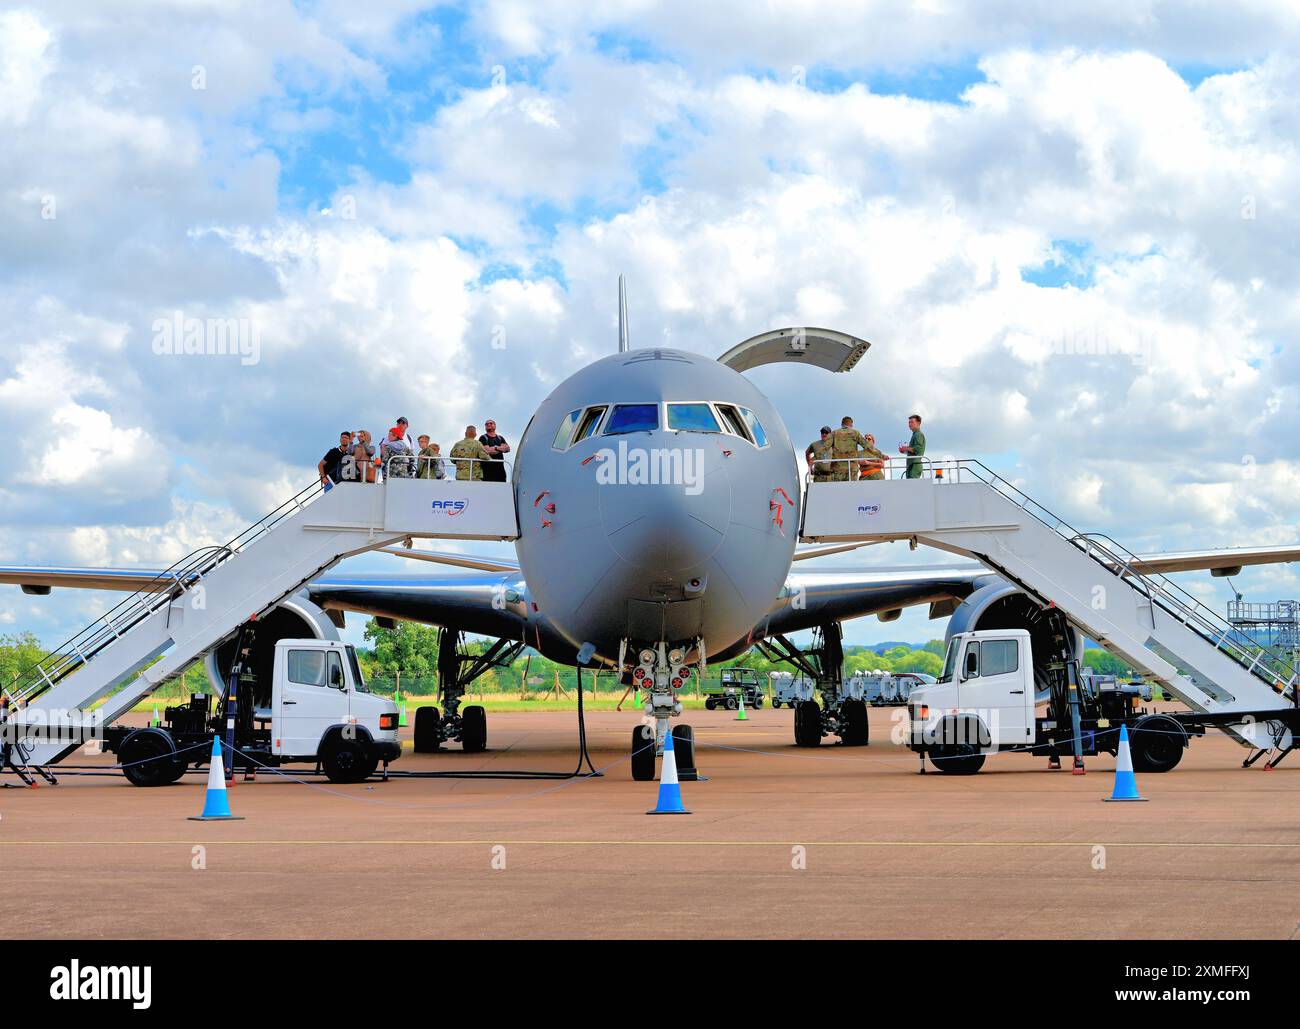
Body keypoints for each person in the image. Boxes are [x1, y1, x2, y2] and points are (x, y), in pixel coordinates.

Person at [830, 416, 868, 481]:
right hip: (852, 468)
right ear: (851, 424)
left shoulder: (834, 433)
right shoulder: (856, 433)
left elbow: (825, 448)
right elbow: (867, 446)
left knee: (838, 489)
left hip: (837, 469)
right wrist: (880, 455)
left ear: (842, 424)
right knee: (852, 489)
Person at [899, 414, 926, 478]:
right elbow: (914, 450)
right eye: (909, 422)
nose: (909, 424)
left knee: (913, 485)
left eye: (912, 422)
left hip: (915, 464)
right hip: (912, 464)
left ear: (918, 423)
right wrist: (905, 450)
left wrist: (906, 448)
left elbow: (917, 449)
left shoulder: (918, 434)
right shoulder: (915, 434)